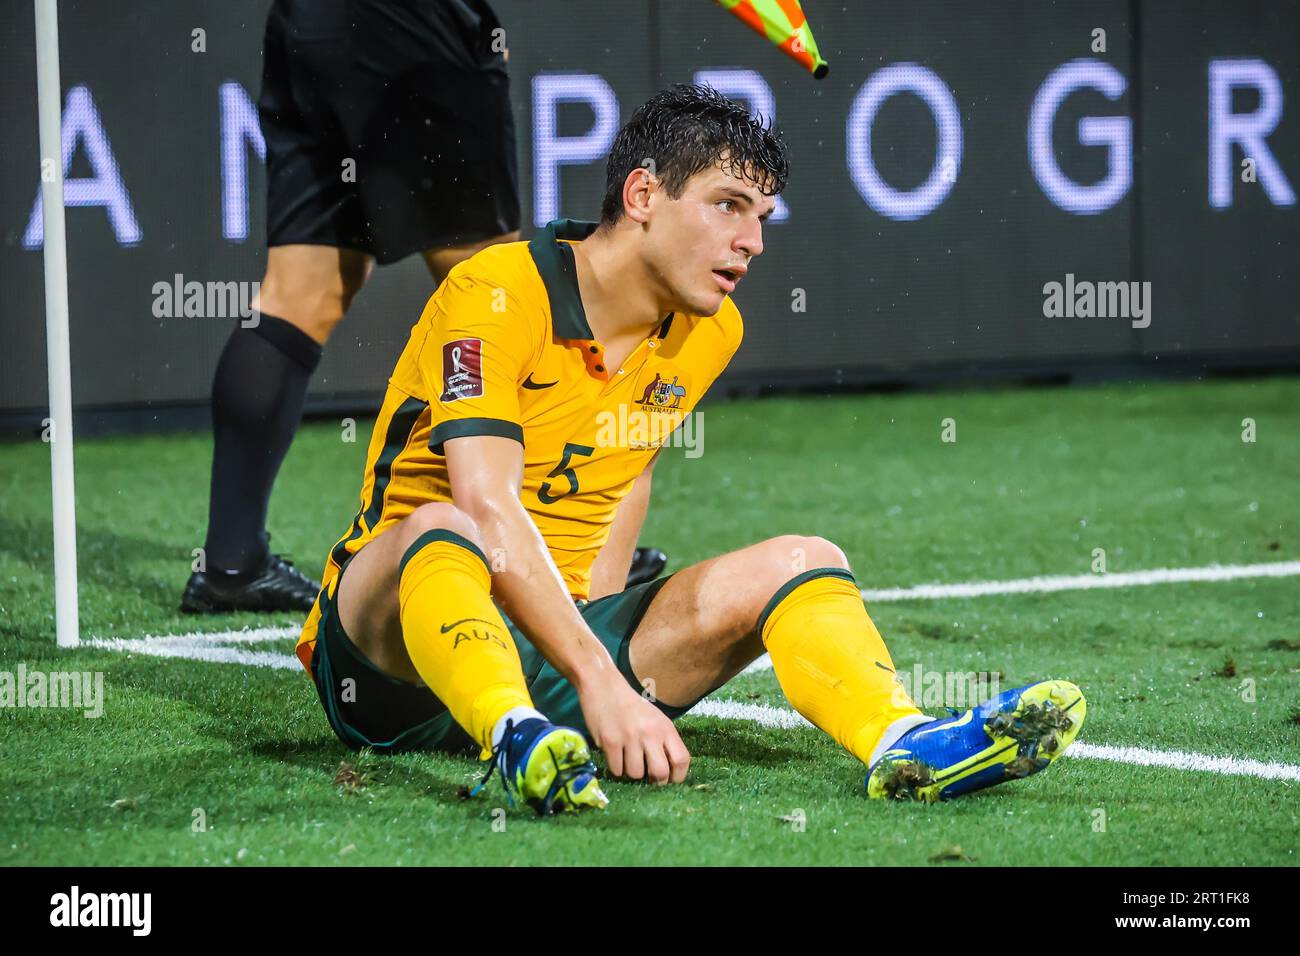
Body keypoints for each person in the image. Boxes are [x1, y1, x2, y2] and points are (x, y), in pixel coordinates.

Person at [294, 85, 1087, 815]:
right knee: (453, 525)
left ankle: (901, 741)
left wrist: (590, 631)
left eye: (763, 218)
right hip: (390, 654)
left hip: (550, 644)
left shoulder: (711, 329)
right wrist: (597, 677)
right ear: (642, 195)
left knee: (806, 558)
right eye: (728, 206)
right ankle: (512, 734)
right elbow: (485, 503)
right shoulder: (492, 292)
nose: (753, 242)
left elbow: (624, 473)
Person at [181, 0, 665, 614]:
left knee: (297, 294)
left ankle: (229, 560)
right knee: (498, 286)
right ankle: (542, 534)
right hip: (420, 29)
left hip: (311, 23)